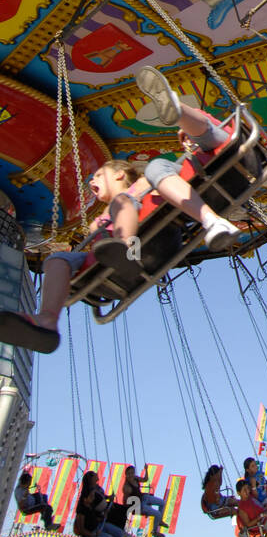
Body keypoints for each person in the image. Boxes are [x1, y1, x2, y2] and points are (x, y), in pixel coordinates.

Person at [0, 74, 242, 356]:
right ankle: (46, 322)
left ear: (117, 173)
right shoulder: (106, 213)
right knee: (57, 259)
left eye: (97, 174)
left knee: (152, 173)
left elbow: (140, 190)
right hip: (127, 253)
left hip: (144, 238)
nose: (91, 182)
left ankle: (175, 111)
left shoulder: (138, 187)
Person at [118, 466, 168, 537]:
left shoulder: (135, 478)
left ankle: (159, 521)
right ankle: (154, 531)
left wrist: (146, 470)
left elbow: (145, 479)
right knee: (157, 514)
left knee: (162, 503)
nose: (131, 475)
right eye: (129, 474)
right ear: (126, 475)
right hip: (138, 505)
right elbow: (125, 502)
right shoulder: (126, 487)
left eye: (132, 473)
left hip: (143, 498)